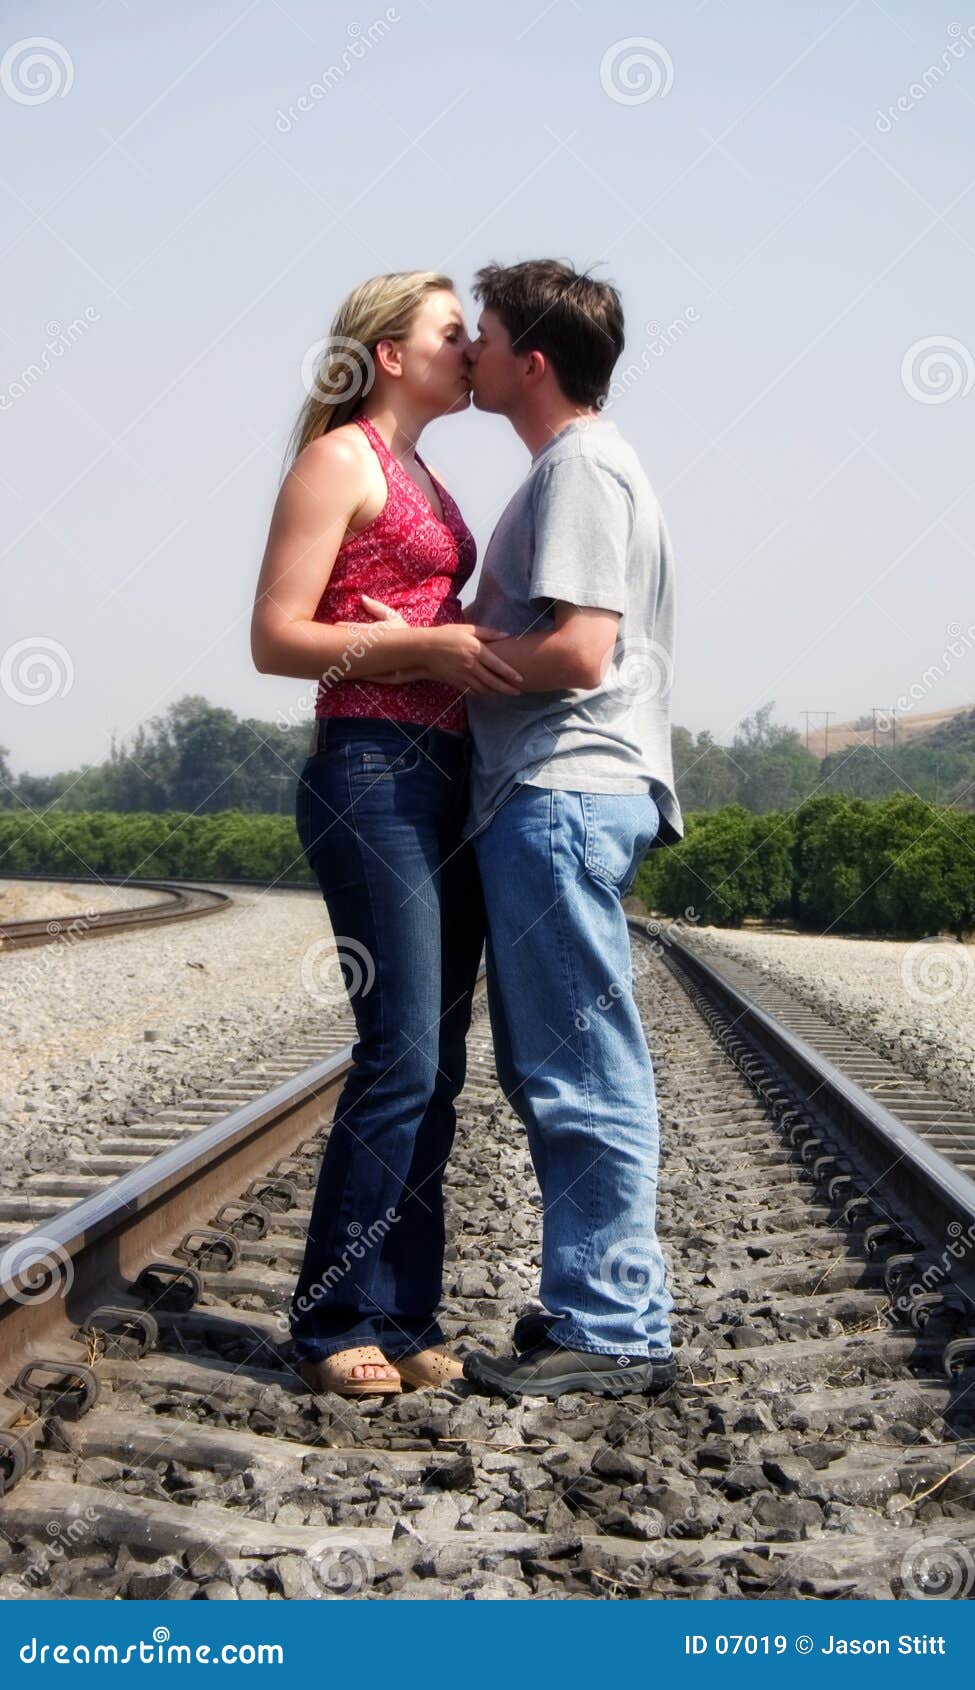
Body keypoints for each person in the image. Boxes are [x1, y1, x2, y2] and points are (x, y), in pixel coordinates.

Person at [250, 271, 522, 1398]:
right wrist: (418, 649)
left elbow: (416, 618)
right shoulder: (342, 459)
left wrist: (444, 636)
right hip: (369, 770)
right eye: (453, 333)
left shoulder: (423, 470)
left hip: (445, 773)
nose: (474, 348)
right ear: (392, 354)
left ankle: (404, 1314)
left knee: (439, 1064)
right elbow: (274, 637)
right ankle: (331, 1321)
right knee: (400, 1052)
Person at [455, 259, 685, 1398]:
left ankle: (614, 1329)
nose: (469, 351)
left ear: (531, 361)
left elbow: (580, 651)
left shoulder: (582, 466)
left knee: (579, 1068)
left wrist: (445, 658)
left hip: (560, 789)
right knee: (561, 1062)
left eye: (484, 335)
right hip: (564, 792)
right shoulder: (582, 465)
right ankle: (599, 1301)